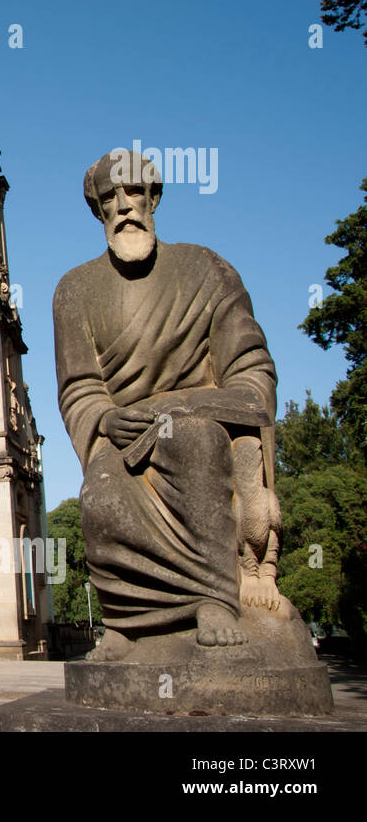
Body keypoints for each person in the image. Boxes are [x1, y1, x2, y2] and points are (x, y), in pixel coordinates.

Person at [52, 151, 284, 661]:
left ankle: (212, 598)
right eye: (109, 199)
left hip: (201, 424)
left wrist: (198, 405)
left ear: (153, 197)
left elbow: (250, 367)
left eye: (133, 193)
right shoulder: (74, 289)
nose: (123, 207)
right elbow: (79, 388)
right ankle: (127, 621)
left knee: (194, 444)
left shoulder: (205, 269)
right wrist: (108, 417)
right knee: (101, 500)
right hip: (125, 438)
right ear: (98, 211)